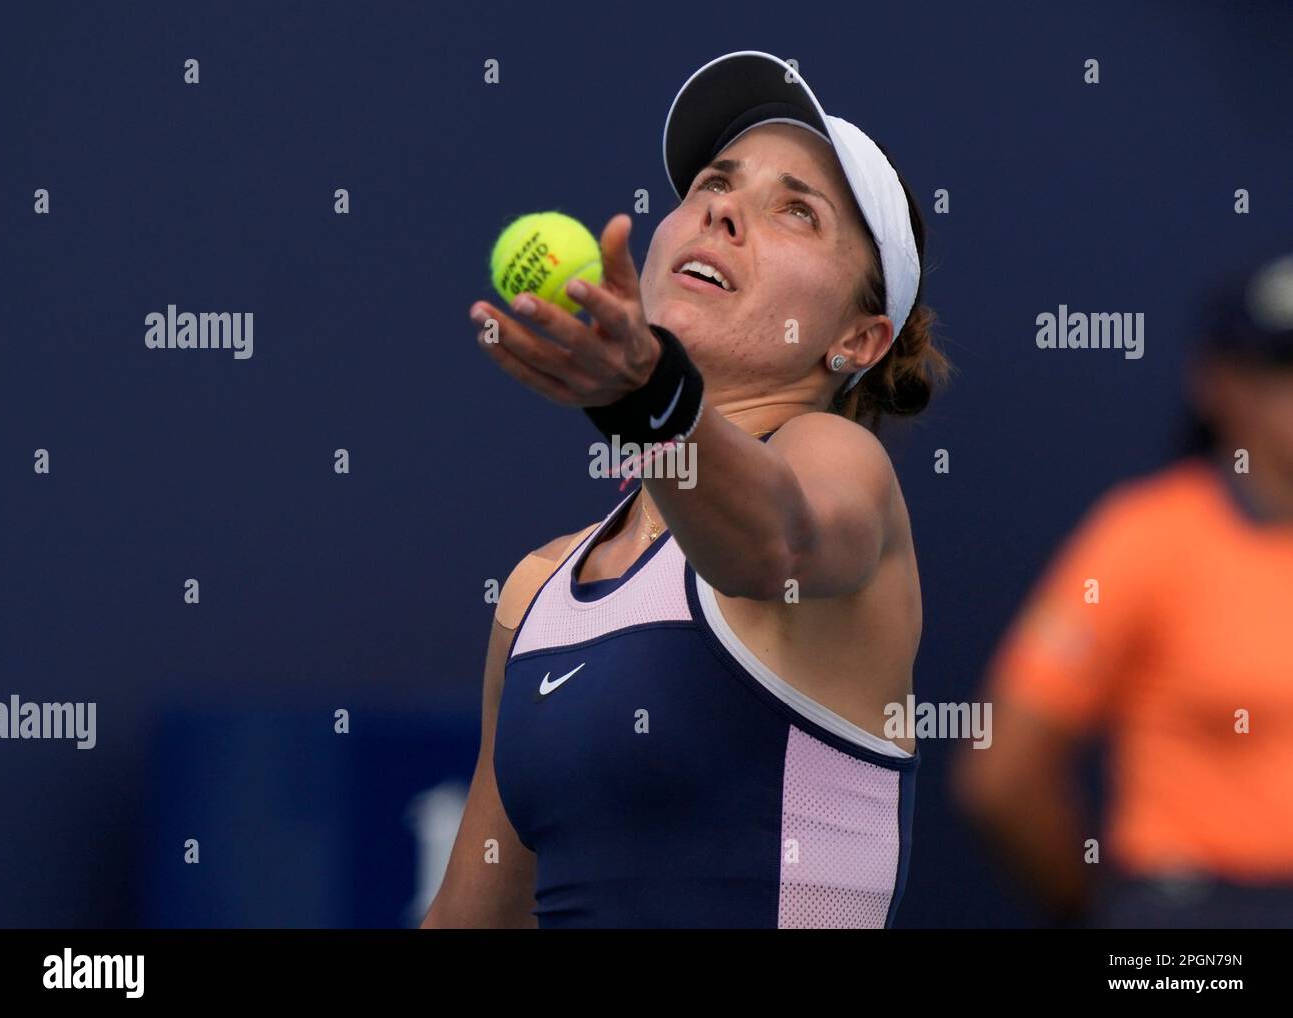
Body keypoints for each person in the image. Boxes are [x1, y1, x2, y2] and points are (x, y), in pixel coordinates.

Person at [422, 50, 949, 929]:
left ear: (858, 340)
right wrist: (647, 403)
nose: (725, 210)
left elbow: (773, 545)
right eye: (716, 181)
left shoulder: (840, 463)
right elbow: (471, 921)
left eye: (797, 211)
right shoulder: (535, 594)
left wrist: (647, 398)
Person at [955, 251, 1293, 928]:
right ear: (1218, 385)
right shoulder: (1144, 538)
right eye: (1282, 372)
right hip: (1200, 917)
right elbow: (1002, 778)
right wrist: (1113, 920)